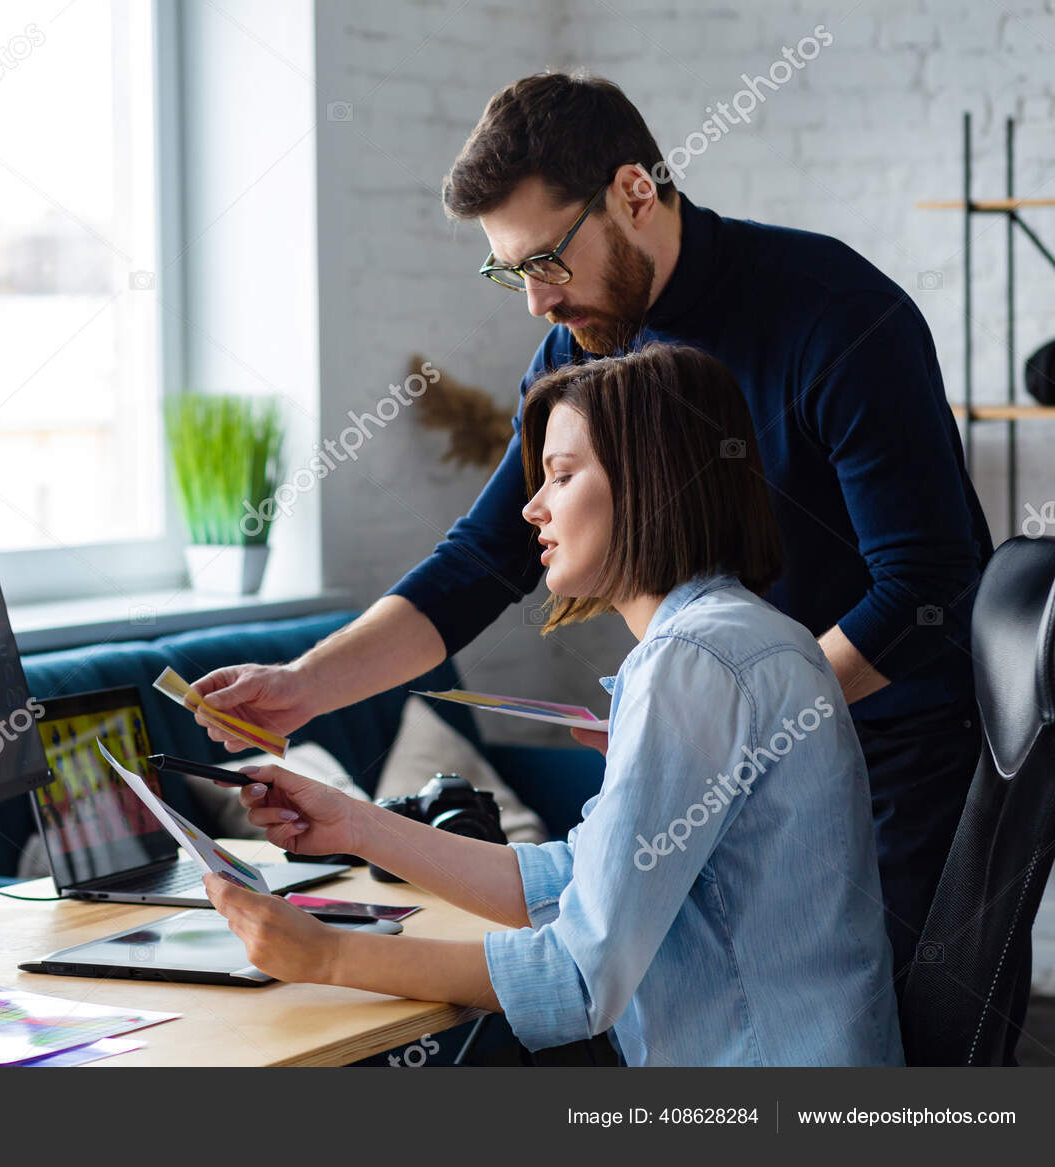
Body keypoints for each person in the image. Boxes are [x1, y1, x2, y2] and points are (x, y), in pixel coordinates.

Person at [192, 73, 991, 992]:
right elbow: (485, 555)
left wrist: (728, 723)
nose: (535, 302)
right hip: (734, 744)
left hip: (899, 755)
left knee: (881, 1045)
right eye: (510, 271)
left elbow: (929, 582)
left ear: (635, 193)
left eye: (546, 260)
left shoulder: (835, 313)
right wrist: (303, 686)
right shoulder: (583, 342)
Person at [202, 344, 904, 1066]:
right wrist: (353, 822)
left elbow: (574, 978)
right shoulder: (743, 634)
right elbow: (570, 884)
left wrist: (325, 954)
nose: (533, 506)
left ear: (647, 485)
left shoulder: (692, 663)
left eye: (563, 475)